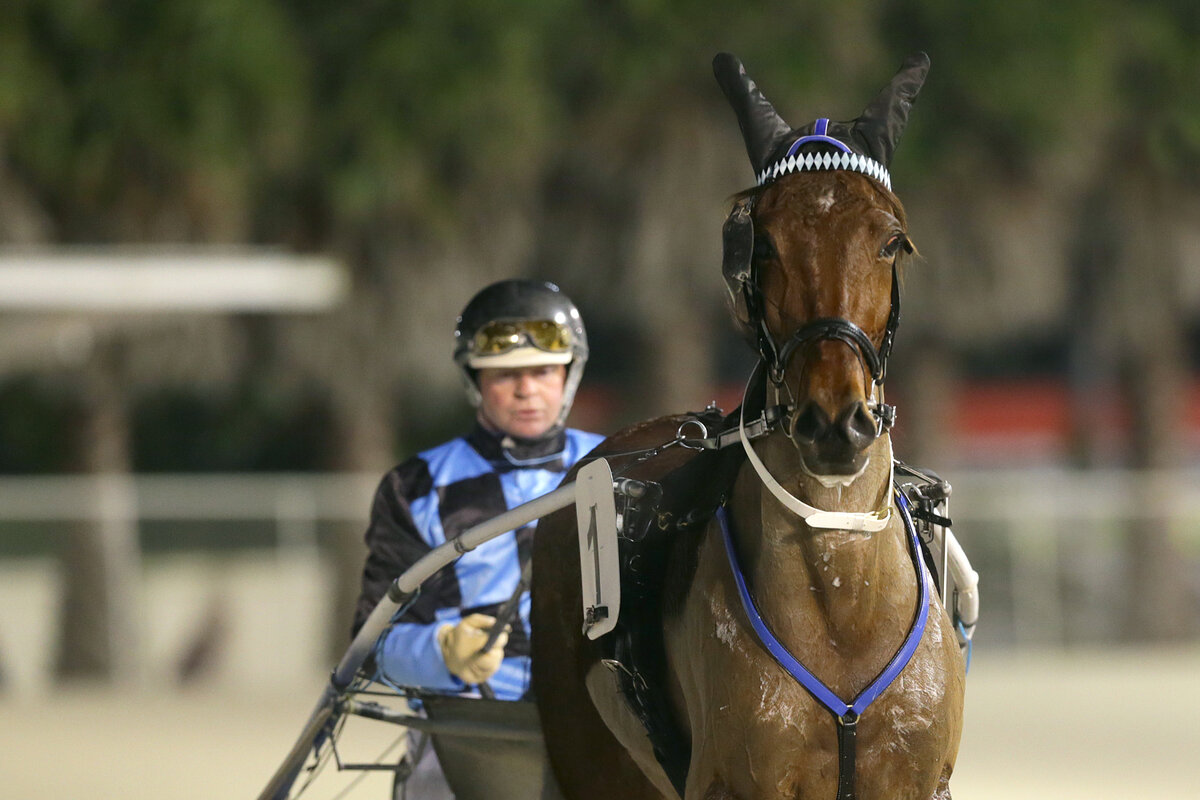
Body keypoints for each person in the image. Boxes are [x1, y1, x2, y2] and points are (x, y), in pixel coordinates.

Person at [352, 278, 604, 798]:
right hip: (467, 739)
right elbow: (371, 648)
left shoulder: (622, 468)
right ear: (473, 379)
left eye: (542, 371)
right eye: (505, 374)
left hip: (603, 728)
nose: (526, 389)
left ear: (569, 374)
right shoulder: (415, 488)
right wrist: (441, 650)